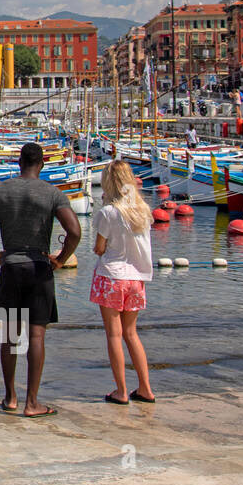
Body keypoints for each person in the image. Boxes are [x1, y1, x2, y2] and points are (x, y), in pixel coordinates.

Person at [0, 142, 82, 417]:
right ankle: (33, 403)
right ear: (42, 164)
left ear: (19, 162)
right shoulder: (53, 193)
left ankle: (10, 398)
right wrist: (61, 259)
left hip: (11, 268)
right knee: (36, 336)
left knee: (9, 337)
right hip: (40, 268)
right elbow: (74, 231)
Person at [91, 161, 156, 405]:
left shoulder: (108, 213)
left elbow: (99, 248)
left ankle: (120, 391)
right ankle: (146, 388)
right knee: (131, 333)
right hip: (136, 279)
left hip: (111, 276)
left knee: (114, 335)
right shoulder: (143, 211)